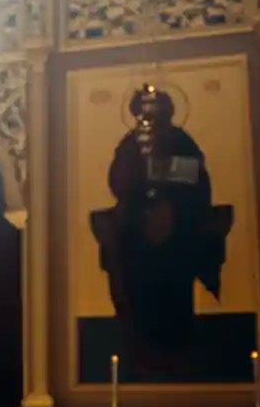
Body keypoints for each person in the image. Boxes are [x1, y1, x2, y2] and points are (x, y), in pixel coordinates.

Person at [90, 86, 231, 380]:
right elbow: (118, 180)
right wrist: (139, 177)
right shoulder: (130, 143)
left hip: (177, 233)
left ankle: (177, 356)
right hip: (138, 235)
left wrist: (155, 173)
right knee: (139, 295)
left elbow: (196, 176)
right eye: (143, 110)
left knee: (175, 296)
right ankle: (145, 356)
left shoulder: (180, 140)